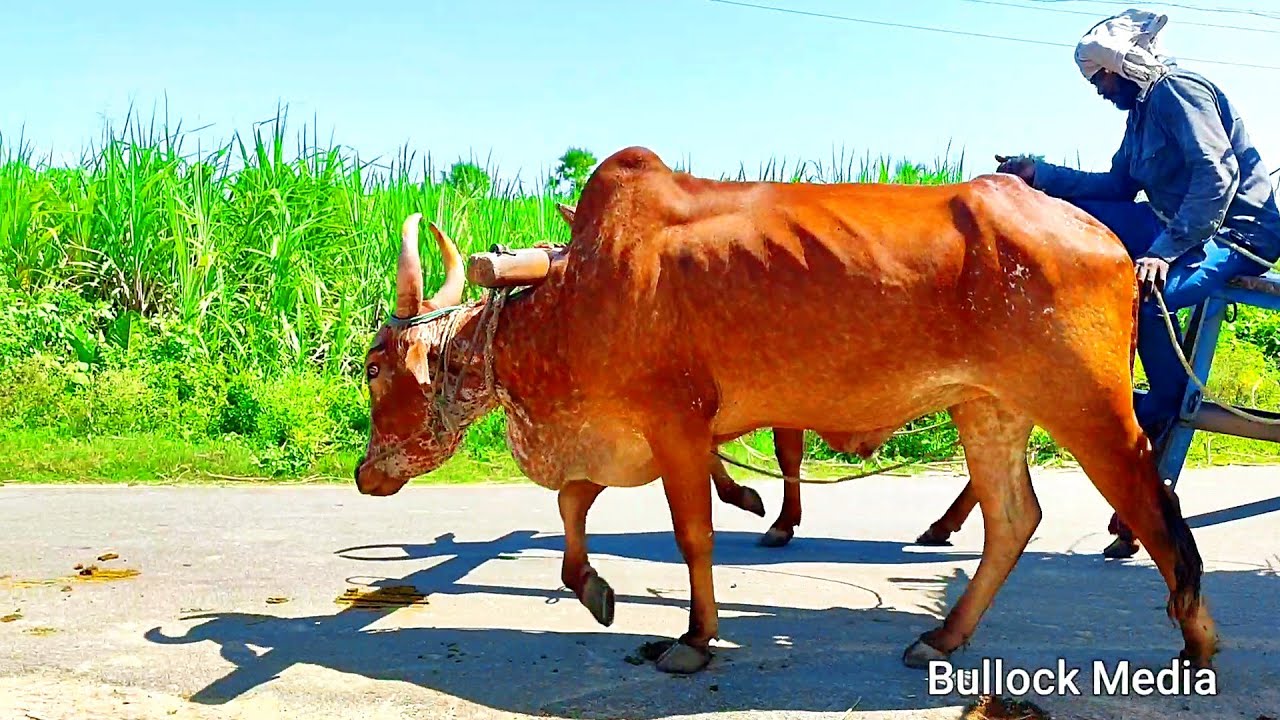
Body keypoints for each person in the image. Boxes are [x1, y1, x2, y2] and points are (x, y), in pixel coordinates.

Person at [995, 9, 1280, 559]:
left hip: (1233, 233)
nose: (1099, 91)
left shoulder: (1179, 92)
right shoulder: (1141, 115)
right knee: (1081, 214)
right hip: (1181, 226)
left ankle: (1159, 401)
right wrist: (1041, 177)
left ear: (1123, 66)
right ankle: (1136, 403)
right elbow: (1117, 188)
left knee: (1145, 295)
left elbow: (1215, 176)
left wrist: (1163, 253)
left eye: (1100, 79)